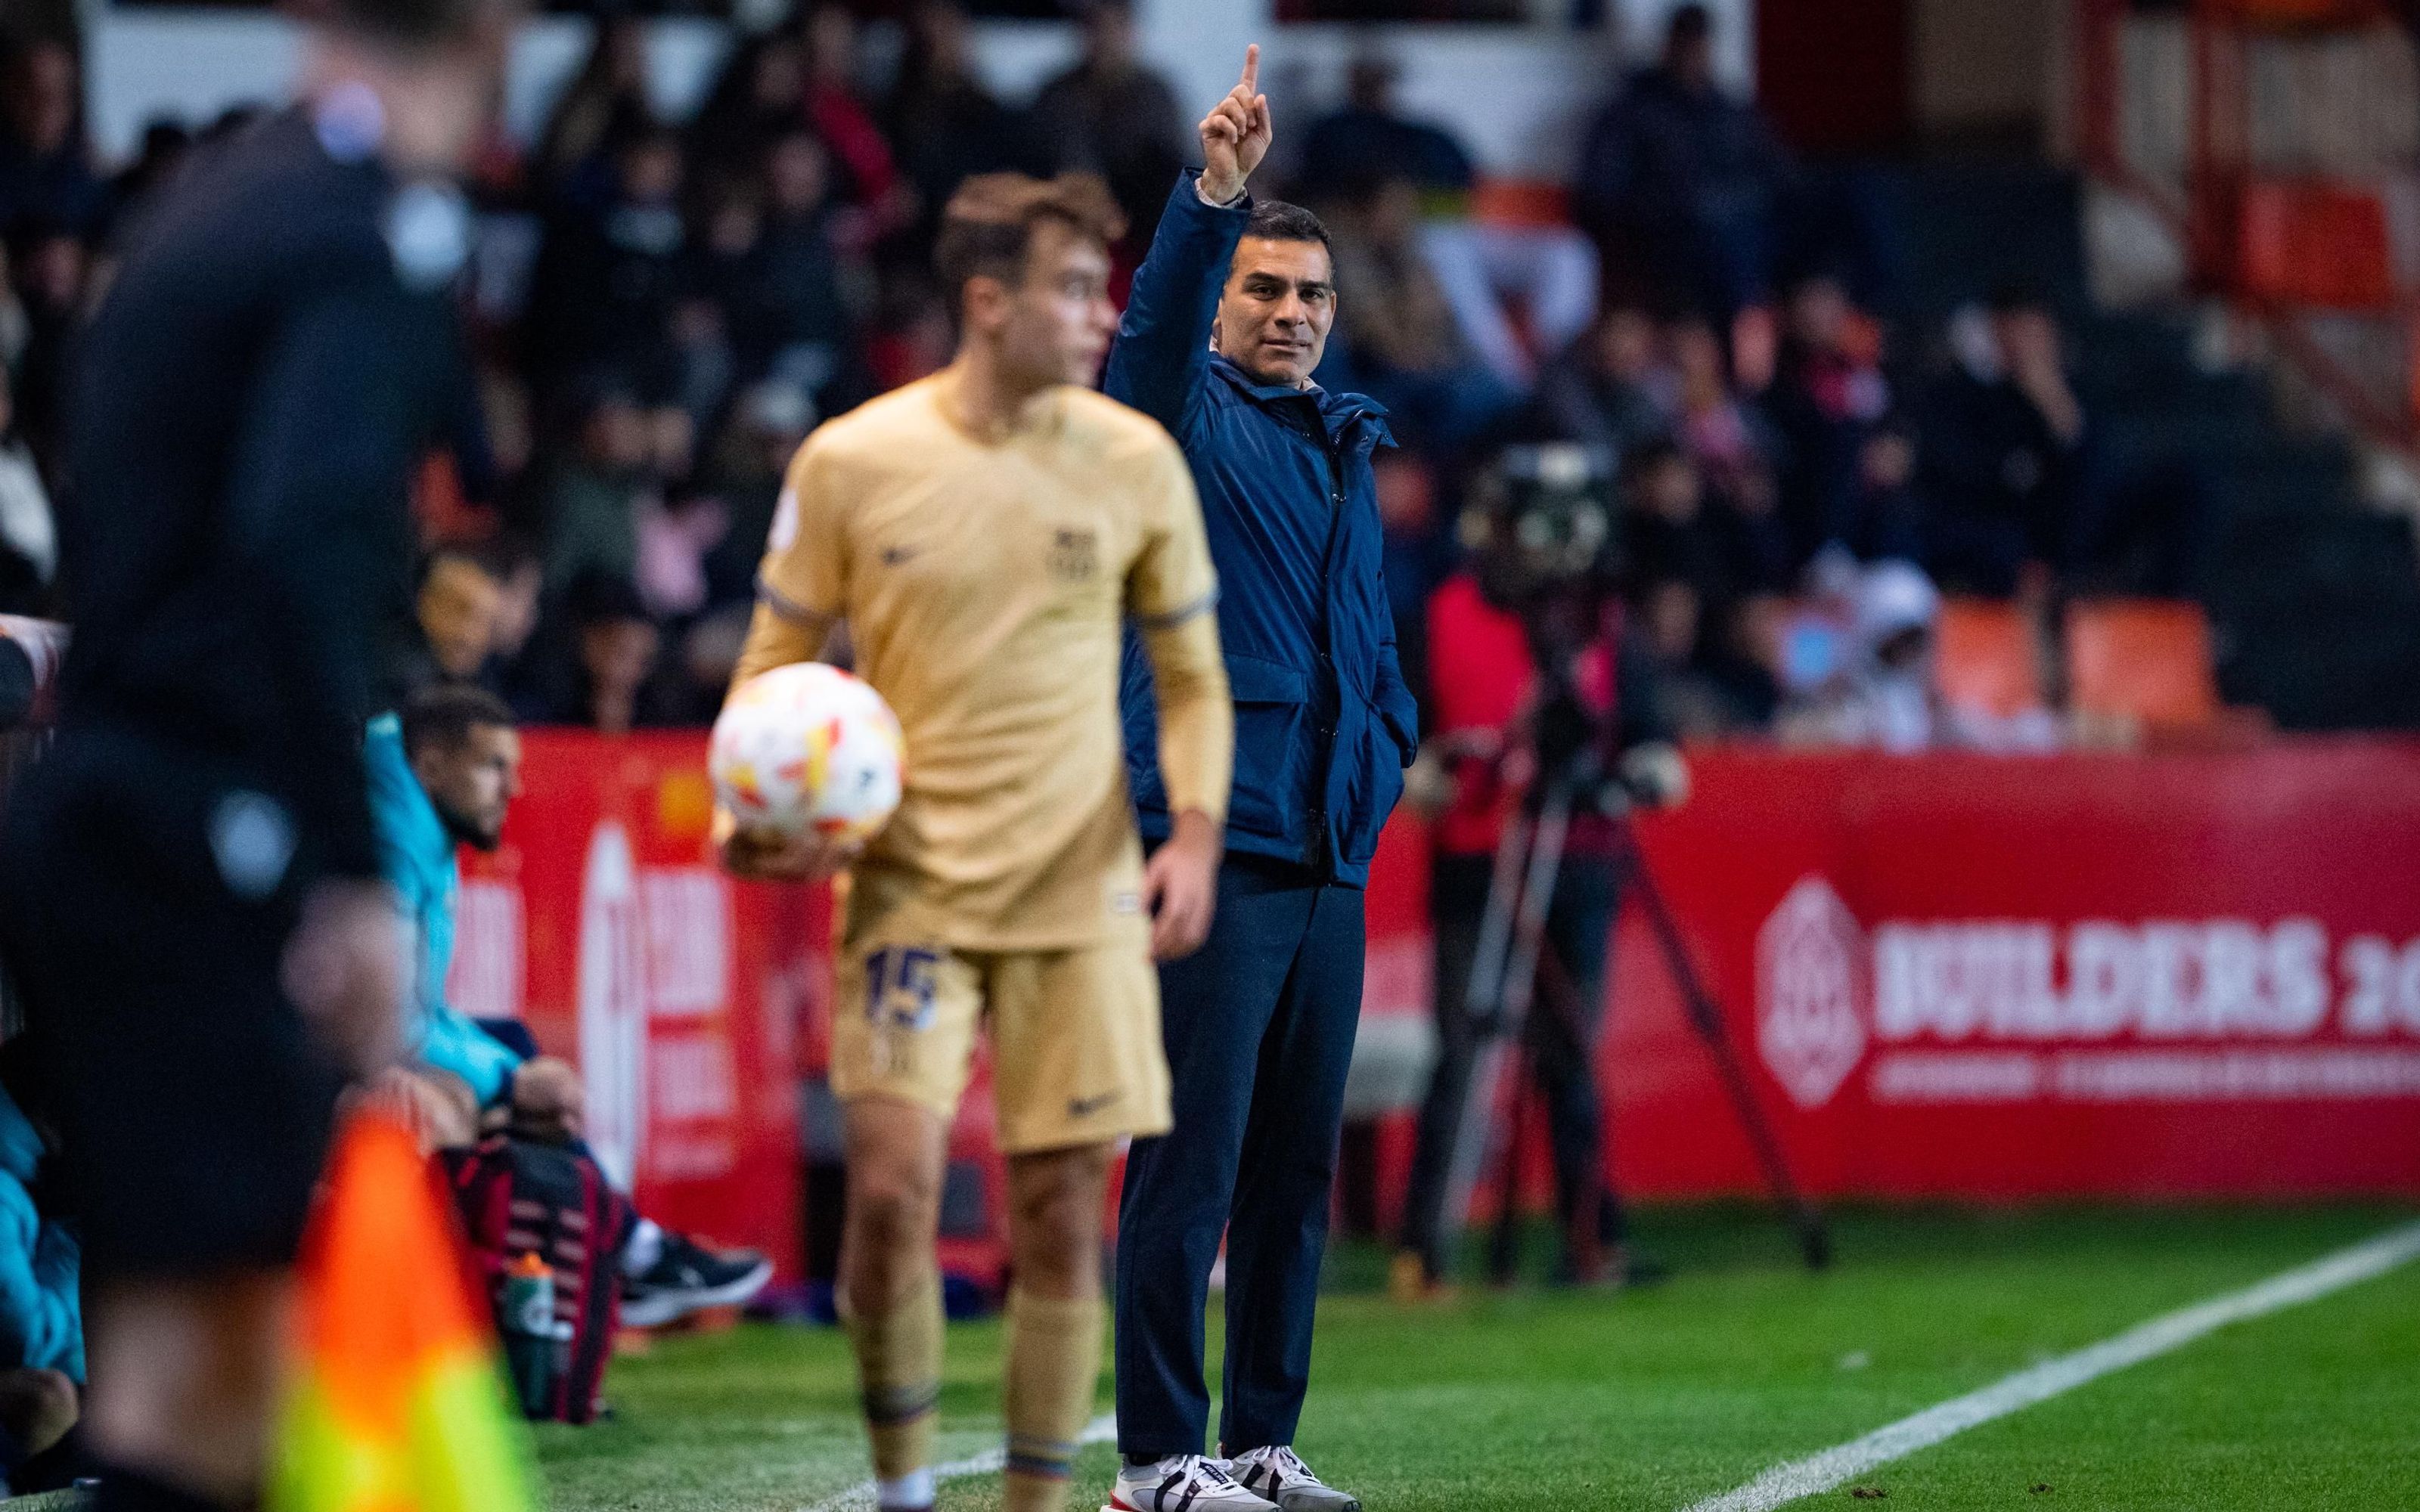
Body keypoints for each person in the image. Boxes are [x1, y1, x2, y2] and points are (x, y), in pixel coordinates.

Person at [0, 2, 507, 1510]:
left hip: (102, 819)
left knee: (170, 1361)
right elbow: (304, 548)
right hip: (204, 824)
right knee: (232, 1368)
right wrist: (349, 876)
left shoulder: (206, 200)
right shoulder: (366, 226)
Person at [718, 171, 1233, 1512]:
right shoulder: (850, 461)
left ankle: (1033, 1503)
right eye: (1071, 287)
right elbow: (774, 664)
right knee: (888, 1195)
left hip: (1082, 898)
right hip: (908, 891)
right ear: (987, 302)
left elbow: (1190, 681)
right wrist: (752, 811)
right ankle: (901, 1492)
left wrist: (1196, 837)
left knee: (1062, 1214)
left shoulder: (1135, 463)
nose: (1097, 312)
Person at [1105, 47, 1416, 1512]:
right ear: (1229, 299)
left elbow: (1366, 642)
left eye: (1309, 297)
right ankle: (1156, 1459)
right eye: (1264, 291)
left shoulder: (1346, 442)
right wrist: (1207, 201)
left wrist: (1389, 743)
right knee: (1190, 1168)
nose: (1288, 315)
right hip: (1215, 843)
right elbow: (1150, 335)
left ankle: (1257, 1440)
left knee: (1295, 1175)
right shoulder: (1184, 418)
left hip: (1326, 853)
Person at [363, 684, 774, 1325]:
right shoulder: (389, 842)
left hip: (371, 1037)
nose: (512, 789)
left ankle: (610, 1273)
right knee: (513, 1081)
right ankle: (619, 1265)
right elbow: (383, 1018)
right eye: (492, 767)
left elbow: (415, 1007)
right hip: (323, 1055)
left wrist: (510, 1071)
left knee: (515, 1048)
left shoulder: (416, 821)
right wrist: (507, 1079)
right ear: (433, 767)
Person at [1392, 457, 1687, 1297]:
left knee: (1568, 1049)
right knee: (1464, 1046)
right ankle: (1428, 1244)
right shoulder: (1440, 616)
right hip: (1476, 859)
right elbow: (1403, 734)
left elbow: (1648, 734)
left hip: (1578, 854)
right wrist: (1425, 777)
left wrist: (1648, 768)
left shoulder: (1599, 622)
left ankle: (1590, 1236)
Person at [1572, 2, 1793, 321]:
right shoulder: (1634, 112)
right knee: (1721, 245)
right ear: (1669, 47)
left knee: (1857, 195)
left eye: (1700, 44)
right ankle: (1734, 347)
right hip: (1667, 239)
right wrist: (1674, 206)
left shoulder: (1731, 112)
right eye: (1686, 44)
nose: (1694, 55)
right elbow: (1601, 192)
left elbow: (1779, 175)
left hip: (1747, 228)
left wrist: (1734, 202)